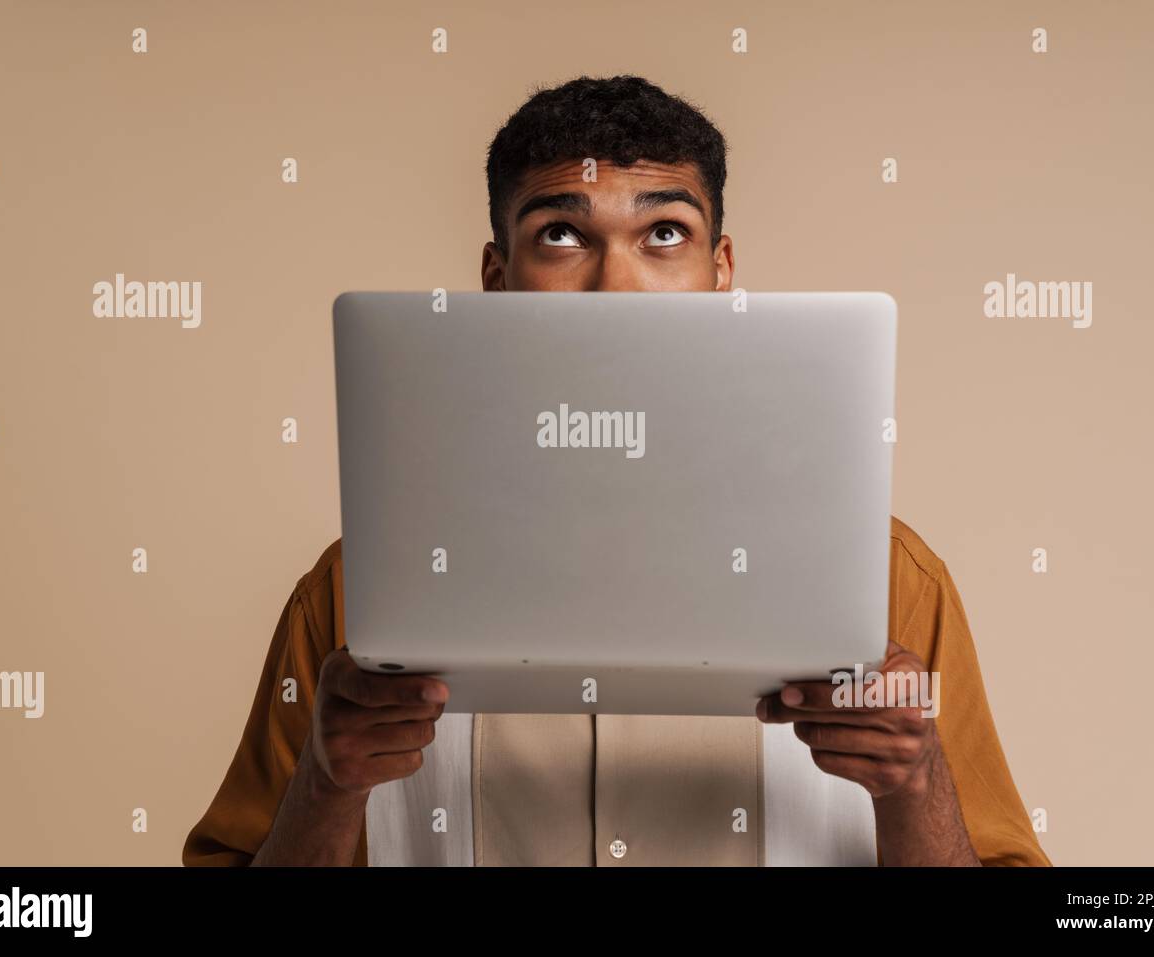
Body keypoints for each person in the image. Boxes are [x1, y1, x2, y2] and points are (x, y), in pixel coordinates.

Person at [183, 75, 1050, 867]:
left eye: (664, 232)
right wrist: (326, 786)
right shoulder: (354, 592)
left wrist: (917, 781)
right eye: (561, 233)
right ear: (497, 282)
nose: (617, 287)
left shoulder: (893, 583)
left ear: (722, 276)